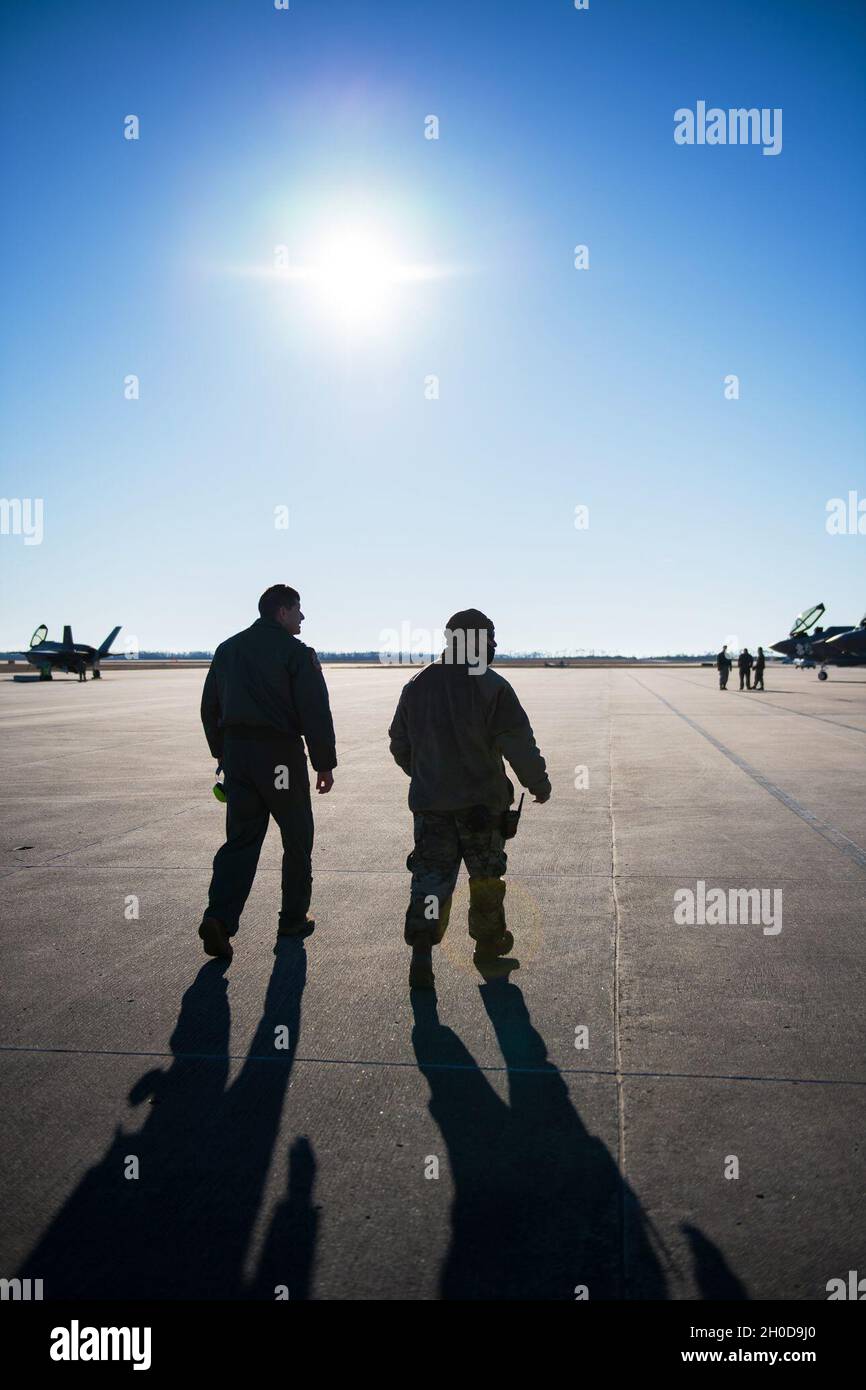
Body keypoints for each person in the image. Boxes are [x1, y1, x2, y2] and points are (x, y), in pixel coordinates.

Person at [388, 608, 551, 990]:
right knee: (486, 879)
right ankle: (489, 946)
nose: (495, 646)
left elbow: (399, 742)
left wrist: (428, 775)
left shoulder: (418, 685)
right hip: (482, 807)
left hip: (431, 807)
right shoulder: (492, 686)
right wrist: (538, 783)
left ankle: (423, 952)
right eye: (490, 638)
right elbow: (518, 744)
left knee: (430, 880)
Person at [198, 584, 336, 961]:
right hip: (279, 759)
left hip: (238, 757)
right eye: (298, 610)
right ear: (281, 612)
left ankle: (219, 918)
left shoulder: (227, 650)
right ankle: (292, 918)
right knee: (296, 836)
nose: (302, 617)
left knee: (240, 841)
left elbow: (209, 708)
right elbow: (314, 711)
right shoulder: (295, 653)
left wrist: (224, 753)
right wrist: (324, 762)